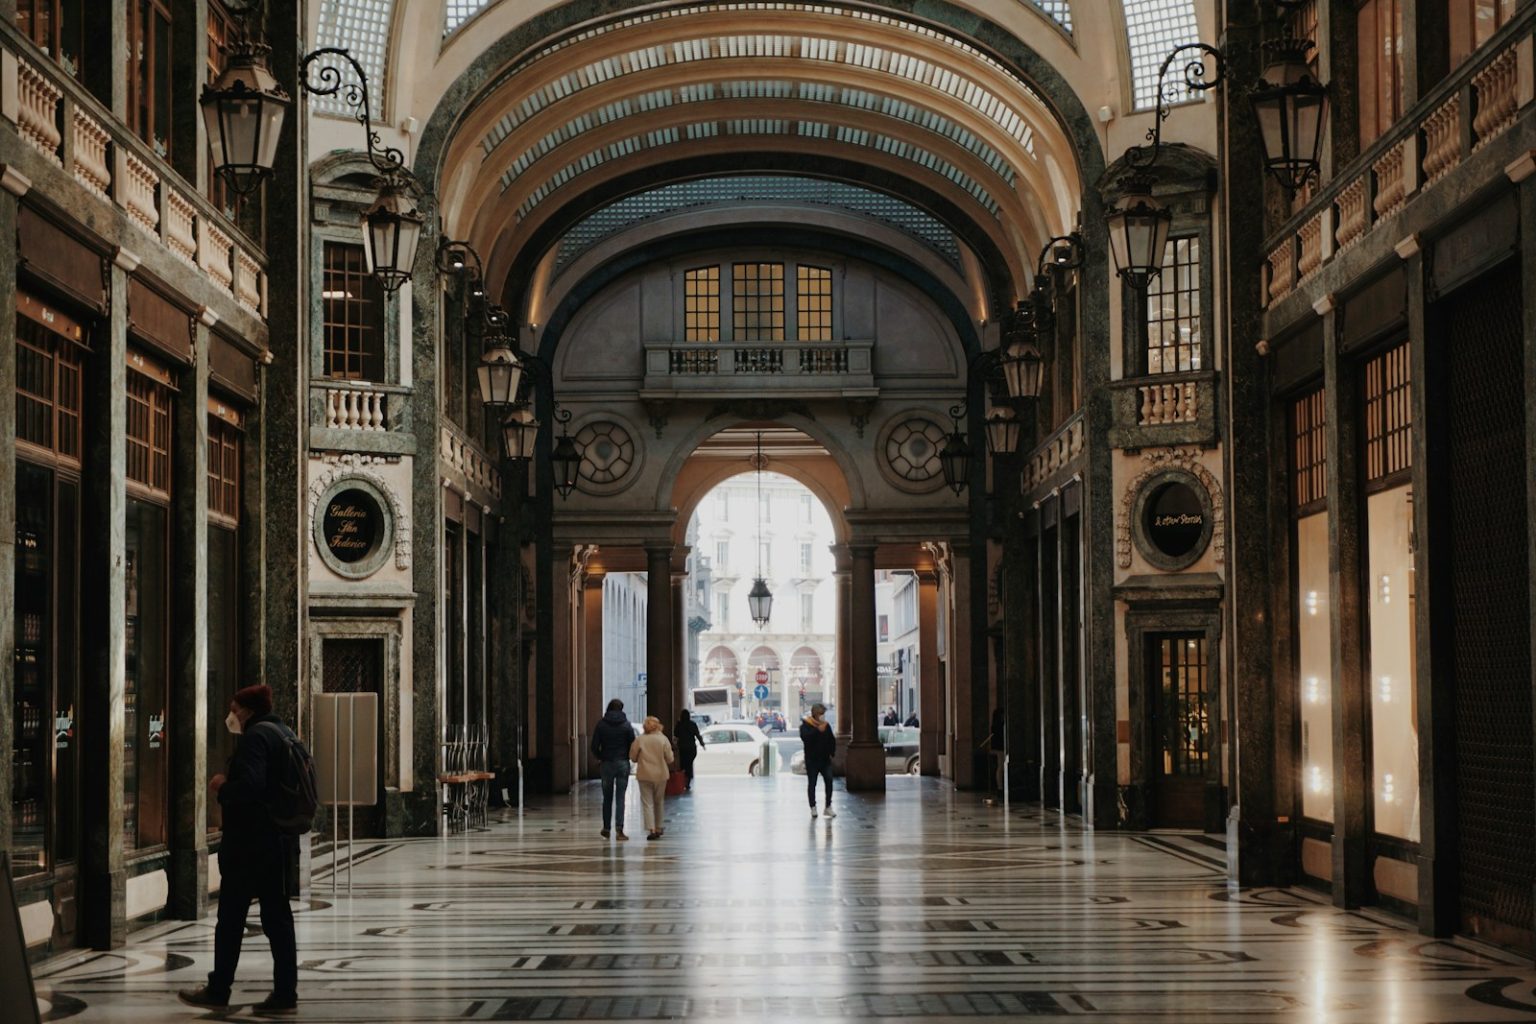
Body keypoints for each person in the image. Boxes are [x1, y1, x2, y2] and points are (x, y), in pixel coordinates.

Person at [179, 684, 299, 1015]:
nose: (230, 714)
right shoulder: (283, 732)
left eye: (234, 708)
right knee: (278, 918)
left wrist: (222, 787)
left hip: (250, 845)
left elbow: (251, 787)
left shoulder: (255, 737)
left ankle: (219, 990)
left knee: (231, 918)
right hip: (277, 841)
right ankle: (286, 992)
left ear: (246, 710)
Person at [591, 698, 636, 840]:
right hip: (622, 762)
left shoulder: (601, 725)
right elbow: (632, 744)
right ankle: (619, 829)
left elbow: (594, 746)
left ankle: (606, 827)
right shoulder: (626, 725)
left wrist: (601, 756)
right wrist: (626, 756)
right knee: (621, 797)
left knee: (607, 797)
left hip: (607, 763)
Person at [630, 716, 674, 840]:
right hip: (661, 775)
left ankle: (651, 829)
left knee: (647, 803)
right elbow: (670, 759)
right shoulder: (663, 739)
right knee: (659, 801)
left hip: (644, 774)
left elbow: (633, 757)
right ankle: (659, 826)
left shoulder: (640, 740)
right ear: (658, 726)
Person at [800, 703, 837, 819]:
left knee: (829, 781)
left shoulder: (826, 726)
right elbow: (805, 738)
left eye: (823, 714)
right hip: (812, 760)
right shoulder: (806, 725)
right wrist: (817, 731)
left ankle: (828, 806)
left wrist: (832, 752)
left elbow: (832, 740)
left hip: (825, 760)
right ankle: (813, 807)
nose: (823, 716)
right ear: (815, 714)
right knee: (812, 783)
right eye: (821, 714)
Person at [674, 709, 706, 790]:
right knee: (689, 765)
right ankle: (687, 783)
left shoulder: (679, 725)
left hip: (682, 748)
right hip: (691, 748)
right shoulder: (692, 724)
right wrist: (702, 744)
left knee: (683, 765)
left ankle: (682, 781)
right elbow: (697, 735)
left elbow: (676, 734)